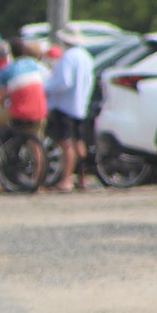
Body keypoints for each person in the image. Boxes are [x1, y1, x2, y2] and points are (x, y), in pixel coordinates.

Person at [0, 37, 47, 172]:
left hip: (20, 112)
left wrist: (2, 106)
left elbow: (1, 96)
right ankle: (38, 180)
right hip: (40, 110)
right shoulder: (35, 65)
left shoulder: (7, 69)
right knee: (36, 145)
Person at [45, 25, 95, 191]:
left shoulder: (67, 57)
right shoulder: (86, 57)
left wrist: (46, 87)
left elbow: (64, 82)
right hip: (81, 106)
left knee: (66, 144)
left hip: (65, 105)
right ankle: (82, 178)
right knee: (79, 143)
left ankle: (65, 180)